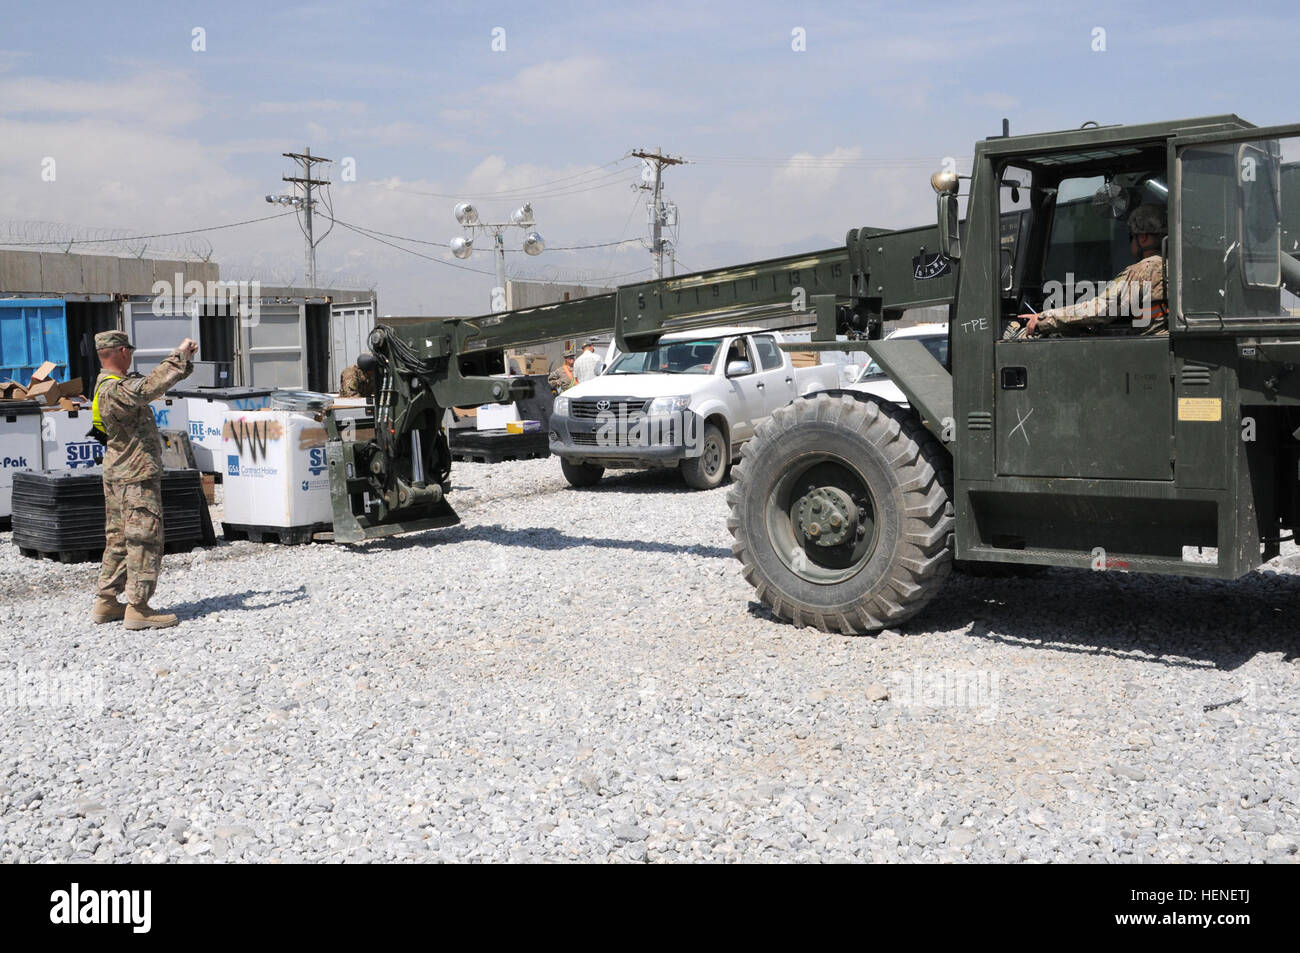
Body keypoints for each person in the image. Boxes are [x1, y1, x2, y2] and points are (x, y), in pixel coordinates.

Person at [90, 331, 196, 629]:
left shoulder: (108, 385)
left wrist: (182, 363)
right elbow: (148, 387)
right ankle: (138, 607)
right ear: (122, 351)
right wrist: (178, 354)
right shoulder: (115, 389)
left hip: (118, 472)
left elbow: (151, 383)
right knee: (143, 538)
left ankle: (107, 601)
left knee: (119, 538)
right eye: (130, 351)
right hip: (134, 475)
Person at [1019, 204, 1168, 336]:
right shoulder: (1175, 266)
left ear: (1142, 238)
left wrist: (1045, 318)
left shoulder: (1143, 270)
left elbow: (1101, 309)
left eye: (1131, 238)